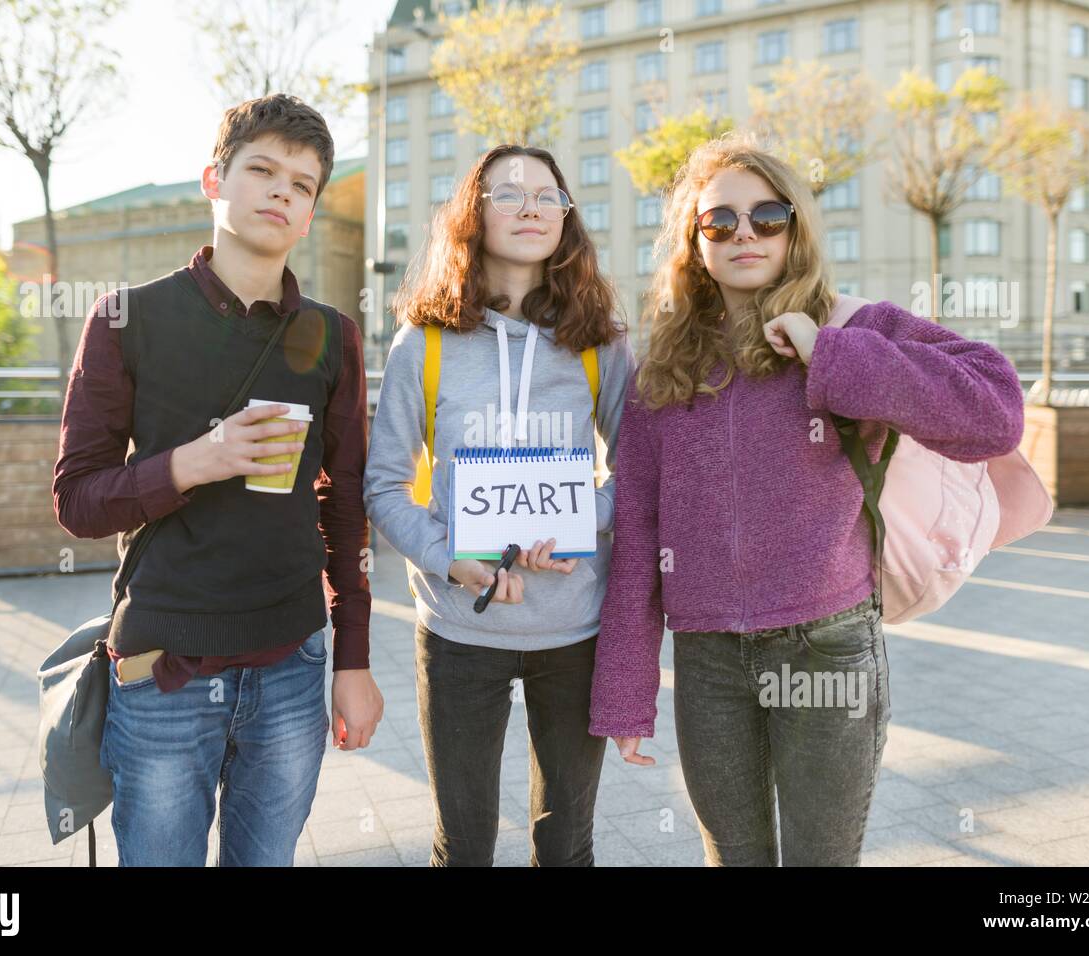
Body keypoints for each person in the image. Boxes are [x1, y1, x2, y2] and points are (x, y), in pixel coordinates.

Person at [589, 132, 1025, 866]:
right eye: (719, 221)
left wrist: (831, 353)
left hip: (827, 648)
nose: (745, 234)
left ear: (796, 227)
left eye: (768, 216)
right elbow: (636, 529)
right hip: (708, 663)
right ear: (695, 243)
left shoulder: (853, 327)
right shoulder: (661, 370)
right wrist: (628, 689)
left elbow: (996, 410)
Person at [53, 93, 382, 866]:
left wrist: (355, 660)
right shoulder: (125, 318)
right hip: (162, 667)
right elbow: (77, 500)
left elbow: (345, 503)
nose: (281, 192)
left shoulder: (332, 335)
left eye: (302, 185)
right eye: (262, 171)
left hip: (293, 668)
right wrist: (190, 464)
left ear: (309, 214)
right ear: (215, 180)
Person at [364, 144, 635, 866]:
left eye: (548, 195)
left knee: (566, 845)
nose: (529, 206)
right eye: (508, 192)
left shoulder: (599, 345)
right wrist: (449, 561)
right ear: (471, 215)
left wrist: (582, 523)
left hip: (573, 629)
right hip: (459, 630)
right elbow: (384, 485)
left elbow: (640, 473)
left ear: (567, 219)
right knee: (464, 848)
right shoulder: (419, 344)